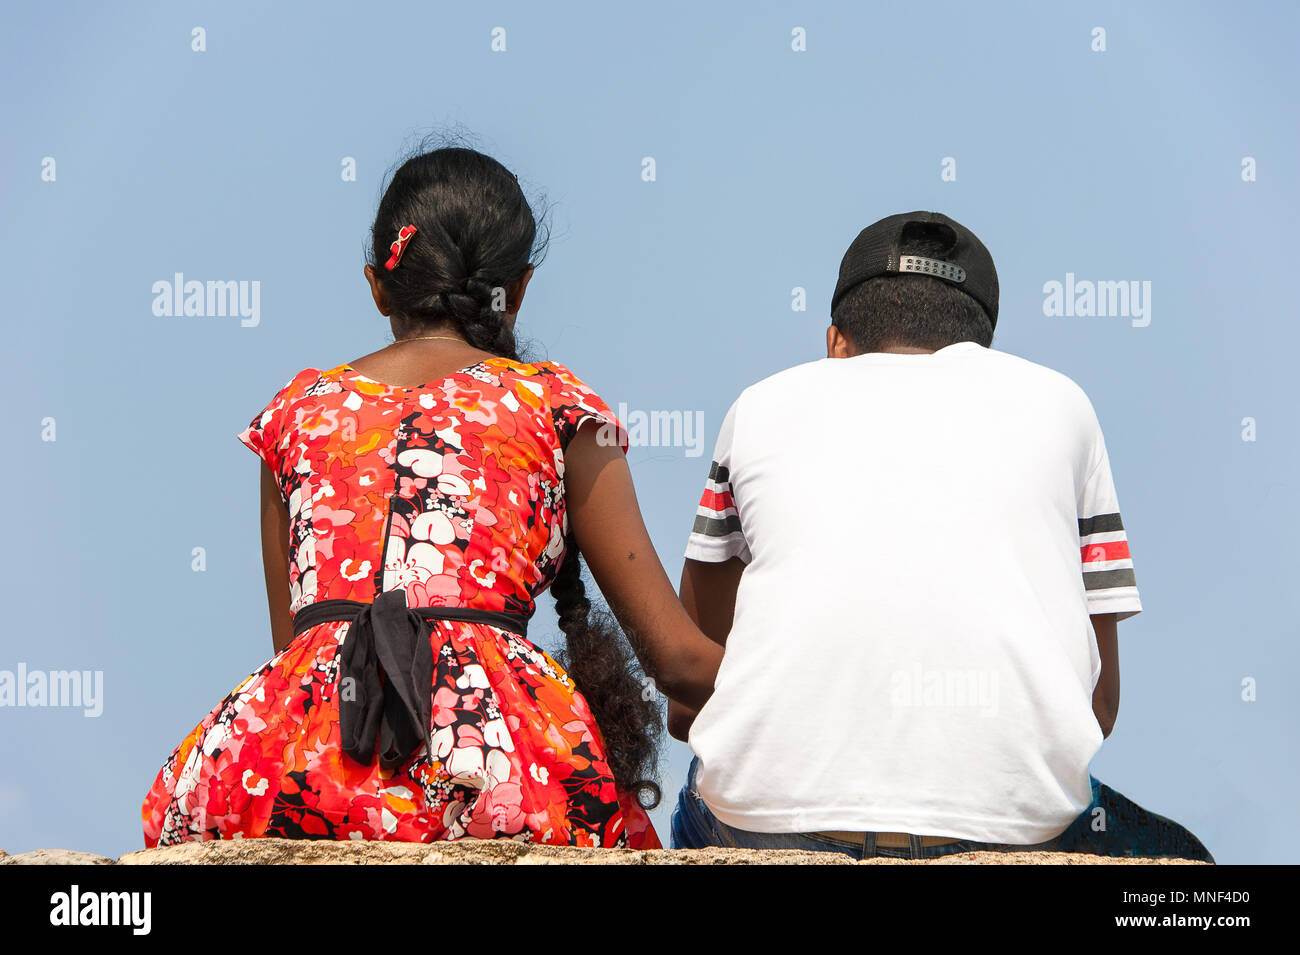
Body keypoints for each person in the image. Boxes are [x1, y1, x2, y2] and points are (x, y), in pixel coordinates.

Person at [141, 145, 722, 849]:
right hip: (494, 765)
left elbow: (296, 649)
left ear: (379, 286)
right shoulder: (557, 406)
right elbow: (679, 659)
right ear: (522, 286)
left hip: (298, 762)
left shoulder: (296, 412)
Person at [667, 212, 1213, 862]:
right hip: (1009, 827)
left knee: (699, 804)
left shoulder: (760, 404)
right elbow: (1099, 703)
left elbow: (685, 702)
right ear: (983, 347)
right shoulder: (1060, 405)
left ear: (836, 342)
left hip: (764, 819)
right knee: (1184, 860)